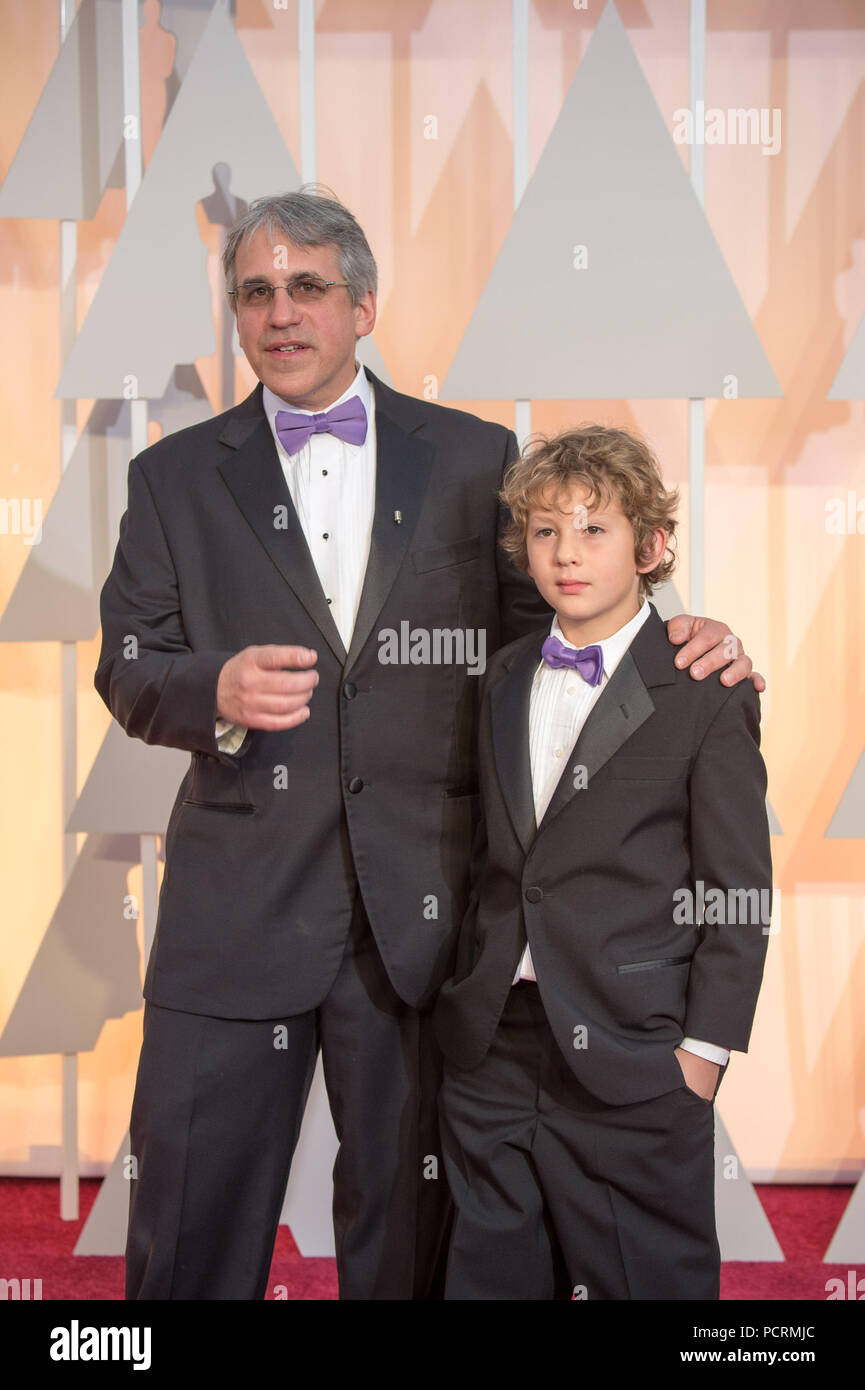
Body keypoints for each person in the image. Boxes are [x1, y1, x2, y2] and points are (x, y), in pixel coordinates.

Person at [94, 188, 763, 1300]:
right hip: (235, 917)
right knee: (190, 1228)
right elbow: (127, 664)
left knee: (408, 1240)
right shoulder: (170, 478)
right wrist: (209, 684)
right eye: (255, 292)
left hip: (427, 934)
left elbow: (556, 625)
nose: (280, 313)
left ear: (362, 304)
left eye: (307, 286)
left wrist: (683, 628)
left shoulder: (470, 455)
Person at [433, 425, 772, 1299]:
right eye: (545, 531)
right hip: (494, 1047)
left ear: (650, 547)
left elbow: (736, 889)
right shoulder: (504, 675)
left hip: (638, 1053)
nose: (565, 554)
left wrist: (700, 1055)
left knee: (645, 1281)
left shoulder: (703, 688)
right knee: (490, 1279)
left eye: (594, 529)